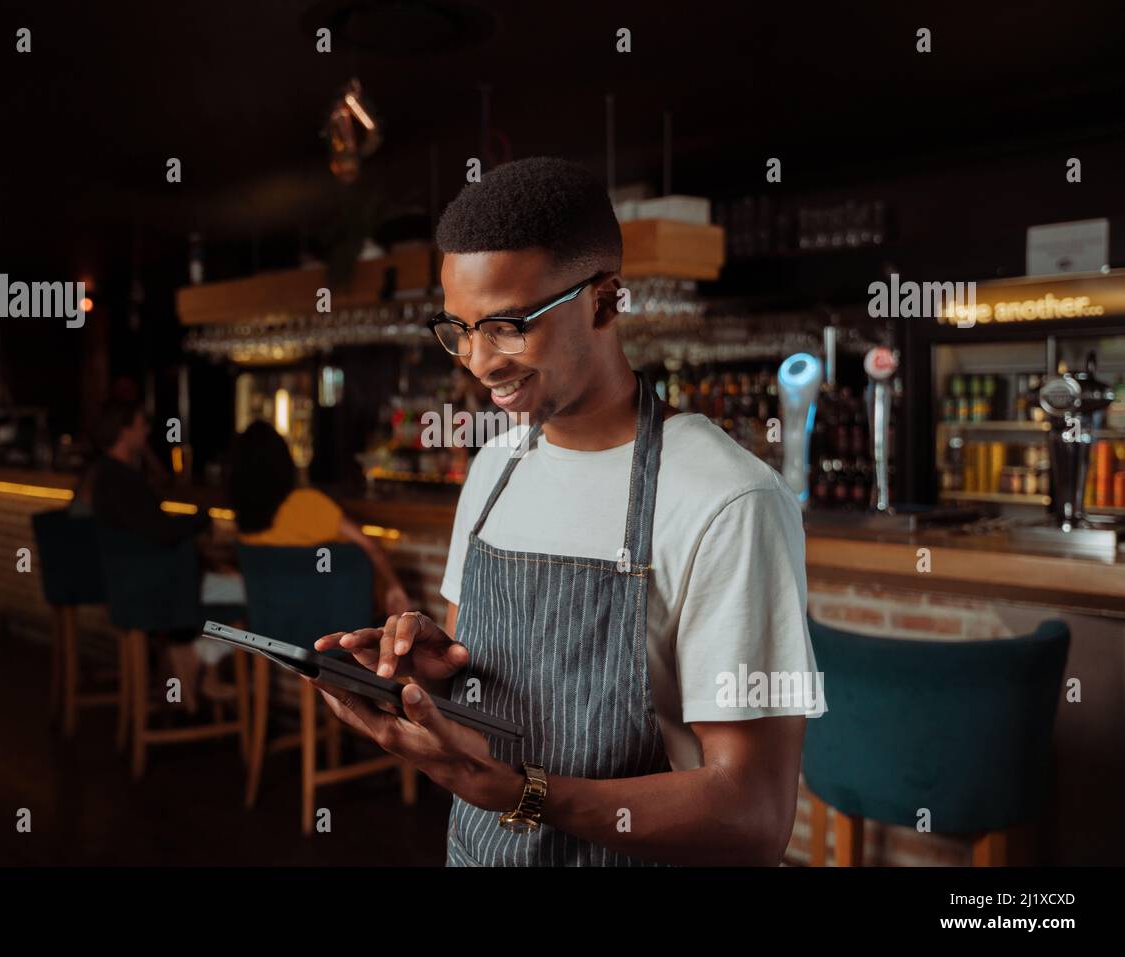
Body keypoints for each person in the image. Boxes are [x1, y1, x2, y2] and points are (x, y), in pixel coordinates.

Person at [311, 156, 825, 866]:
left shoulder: (730, 500)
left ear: (605, 302)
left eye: (507, 325)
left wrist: (526, 793)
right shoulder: (493, 470)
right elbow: (483, 700)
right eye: (458, 329)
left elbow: (754, 814)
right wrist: (430, 680)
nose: (478, 361)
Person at [86, 397, 221, 711]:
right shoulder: (122, 479)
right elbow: (163, 532)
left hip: (129, 590)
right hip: (151, 593)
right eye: (141, 424)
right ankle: (192, 666)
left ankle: (180, 679)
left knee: (220, 588)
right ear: (124, 431)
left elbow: (154, 529)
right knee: (233, 595)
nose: (147, 430)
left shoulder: (107, 474)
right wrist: (202, 518)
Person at [203, 419, 412, 618]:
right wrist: (394, 585)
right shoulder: (307, 504)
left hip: (272, 622)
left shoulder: (244, 519)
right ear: (283, 462)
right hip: (334, 619)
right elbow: (370, 547)